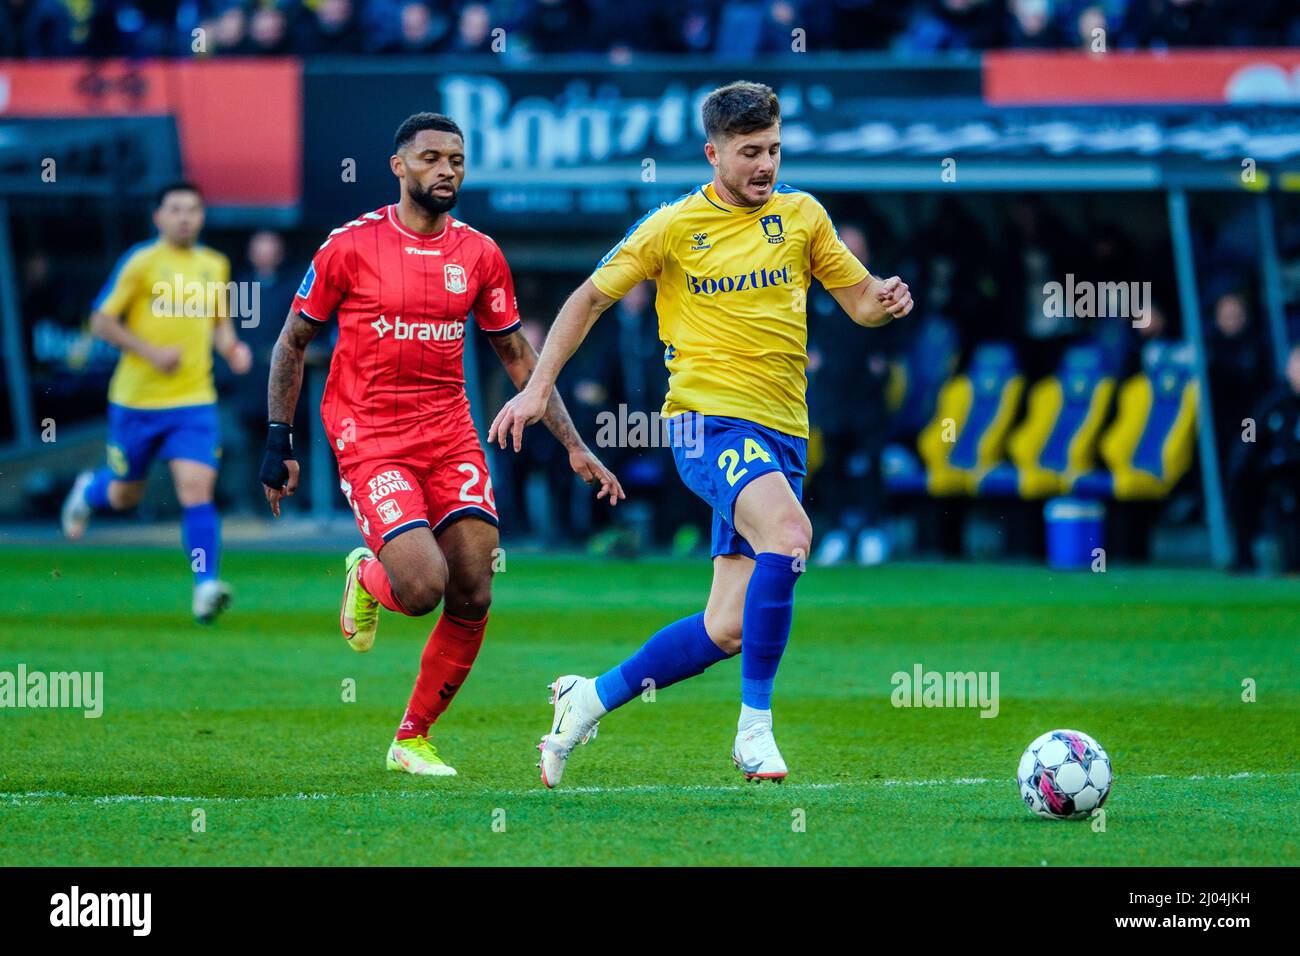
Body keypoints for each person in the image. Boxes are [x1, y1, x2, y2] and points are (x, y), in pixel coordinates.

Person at [490, 81, 912, 787]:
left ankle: (585, 699)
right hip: (707, 423)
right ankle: (754, 732)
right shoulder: (674, 227)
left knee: (727, 628)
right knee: (790, 535)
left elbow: (859, 300)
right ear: (712, 152)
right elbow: (589, 298)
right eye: (749, 152)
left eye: (774, 149)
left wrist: (885, 299)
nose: (765, 165)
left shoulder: (803, 217)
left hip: (782, 436)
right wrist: (537, 389)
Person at [259, 112, 622, 777]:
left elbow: (517, 353)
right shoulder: (349, 246)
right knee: (423, 586)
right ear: (399, 167)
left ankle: (411, 738)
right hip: (369, 435)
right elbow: (292, 341)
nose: (446, 169)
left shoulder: (480, 253)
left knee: (475, 589)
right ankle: (366, 577)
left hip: (449, 432)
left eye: (456, 158)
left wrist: (573, 444)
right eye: (431, 158)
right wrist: (278, 439)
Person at [61, 182, 251, 622]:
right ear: (159, 218)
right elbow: (102, 320)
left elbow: (218, 323)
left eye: (192, 209)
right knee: (126, 495)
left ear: (202, 217)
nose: (185, 217)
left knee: (196, 490)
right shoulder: (142, 262)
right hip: (137, 402)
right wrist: (151, 354)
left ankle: (206, 585)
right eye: (176, 209)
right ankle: (88, 491)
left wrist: (232, 349)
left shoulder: (213, 263)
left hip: (194, 402)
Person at [1227, 341, 1300, 573]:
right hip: (1280, 472)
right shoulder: (1273, 402)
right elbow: (1250, 429)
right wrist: (1243, 455)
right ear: (1289, 368)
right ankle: (1244, 558)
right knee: (1241, 486)